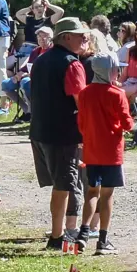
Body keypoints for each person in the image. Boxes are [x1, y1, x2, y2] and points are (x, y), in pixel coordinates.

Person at [30, 15, 91, 248]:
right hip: (62, 134)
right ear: (65, 37)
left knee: (60, 185)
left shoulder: (41, 60)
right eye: (80, 36)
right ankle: (57, 236)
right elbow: (81, 101)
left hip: (39, 130)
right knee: (64, 185)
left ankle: (59, 232)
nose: (84, 39)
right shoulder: (71, 64)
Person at [77, 53, 135, 255]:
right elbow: (127, 123)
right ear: (109, 71)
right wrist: (130, 124)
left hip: (92, 150)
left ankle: (83, 233)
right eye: (115, 69)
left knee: (92, 191)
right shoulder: (117, 94)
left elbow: (81, 123)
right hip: (111, 151)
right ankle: (103, 240)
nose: (118, 72)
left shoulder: (85, 93)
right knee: (107, 194)